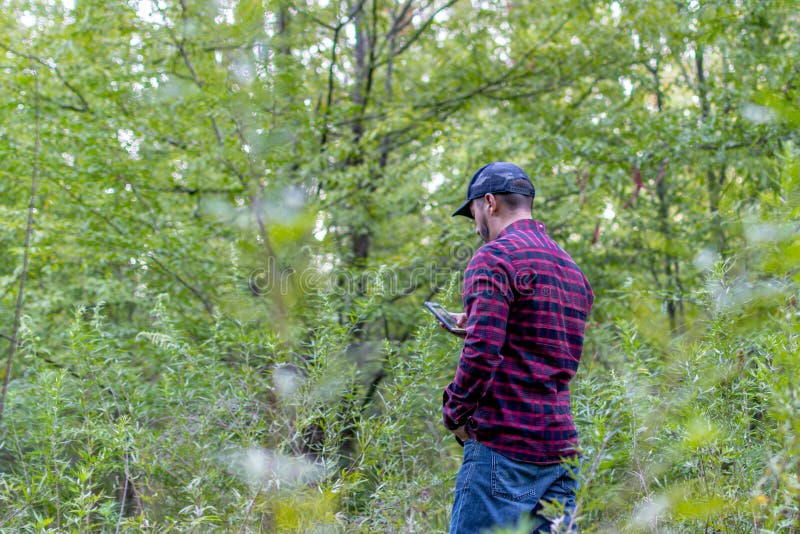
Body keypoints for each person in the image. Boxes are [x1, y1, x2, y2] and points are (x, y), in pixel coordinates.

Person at [442, 162, 594, 533]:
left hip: (504, 449)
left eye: (473, 211)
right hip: (560, 451)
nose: (475, 223)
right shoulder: (571, 269)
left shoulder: (493, 259)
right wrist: (479, 323)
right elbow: (543, 347)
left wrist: (455, 413)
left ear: (489, 202)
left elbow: (482, 353)